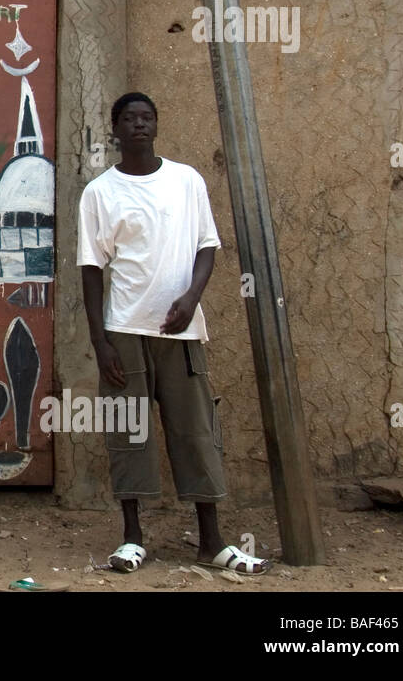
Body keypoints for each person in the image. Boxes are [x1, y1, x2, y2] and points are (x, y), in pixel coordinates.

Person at [77, 92, 269, 575]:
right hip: (124, 328)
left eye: (147, 118)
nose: (139, 125)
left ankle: (213, 541)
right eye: (129, 119)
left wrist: (192, 299)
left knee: (196, 433)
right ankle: (132, 539)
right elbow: (91, 269)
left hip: (181, 333)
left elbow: (207, 246)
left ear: (156, 126)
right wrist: (100, 342)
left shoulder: (186, 181)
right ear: (115, 129)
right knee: (128, 433)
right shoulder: (100, 192)